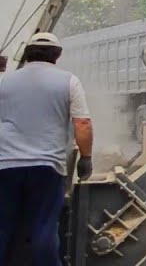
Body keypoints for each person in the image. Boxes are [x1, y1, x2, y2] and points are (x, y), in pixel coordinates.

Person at [0, 32, 93, 266]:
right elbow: (82, 123)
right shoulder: (69, 81)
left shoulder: (3, 81)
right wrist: (86, 157)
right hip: (47, 167)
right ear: (57, 55)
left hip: (6, 167)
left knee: (2, 227)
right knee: (44, 228)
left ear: (26, 54)